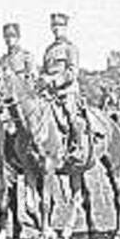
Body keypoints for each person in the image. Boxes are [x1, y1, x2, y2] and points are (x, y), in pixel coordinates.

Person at [39, 13, 85, 159]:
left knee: (70, 115)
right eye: (54, 27)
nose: (56, 29)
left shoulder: (70, 48)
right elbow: (44, 70)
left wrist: (55, 80)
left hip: (67, 91)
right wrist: (42, 80)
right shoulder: (49, 50)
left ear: (65, 28)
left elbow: (72, 72)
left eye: (59, 26)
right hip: (49, 93)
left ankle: (77, 147)